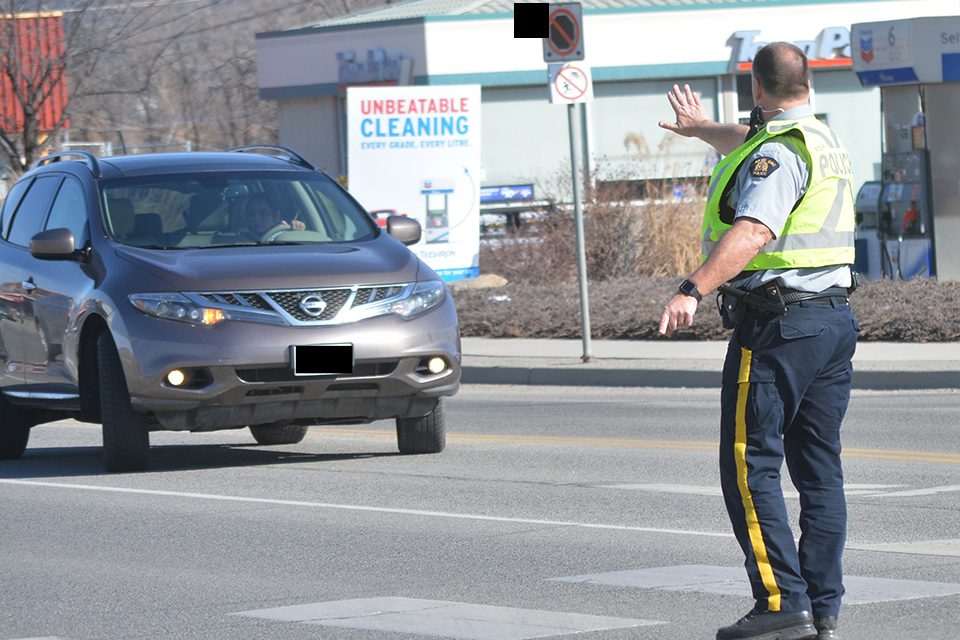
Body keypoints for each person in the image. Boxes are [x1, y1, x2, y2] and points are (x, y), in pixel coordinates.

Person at [658, 42, 858, 640]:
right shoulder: (818, 138)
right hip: (831, 320)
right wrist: (699, 130)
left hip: (778, 327)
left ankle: (780, 604)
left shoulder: (777, 152)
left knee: (750, 467)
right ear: (807, 83)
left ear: (757, 88)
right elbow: (742, 141)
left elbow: (753, 230)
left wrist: (691, 287)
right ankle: (822, 609)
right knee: (820, 472)